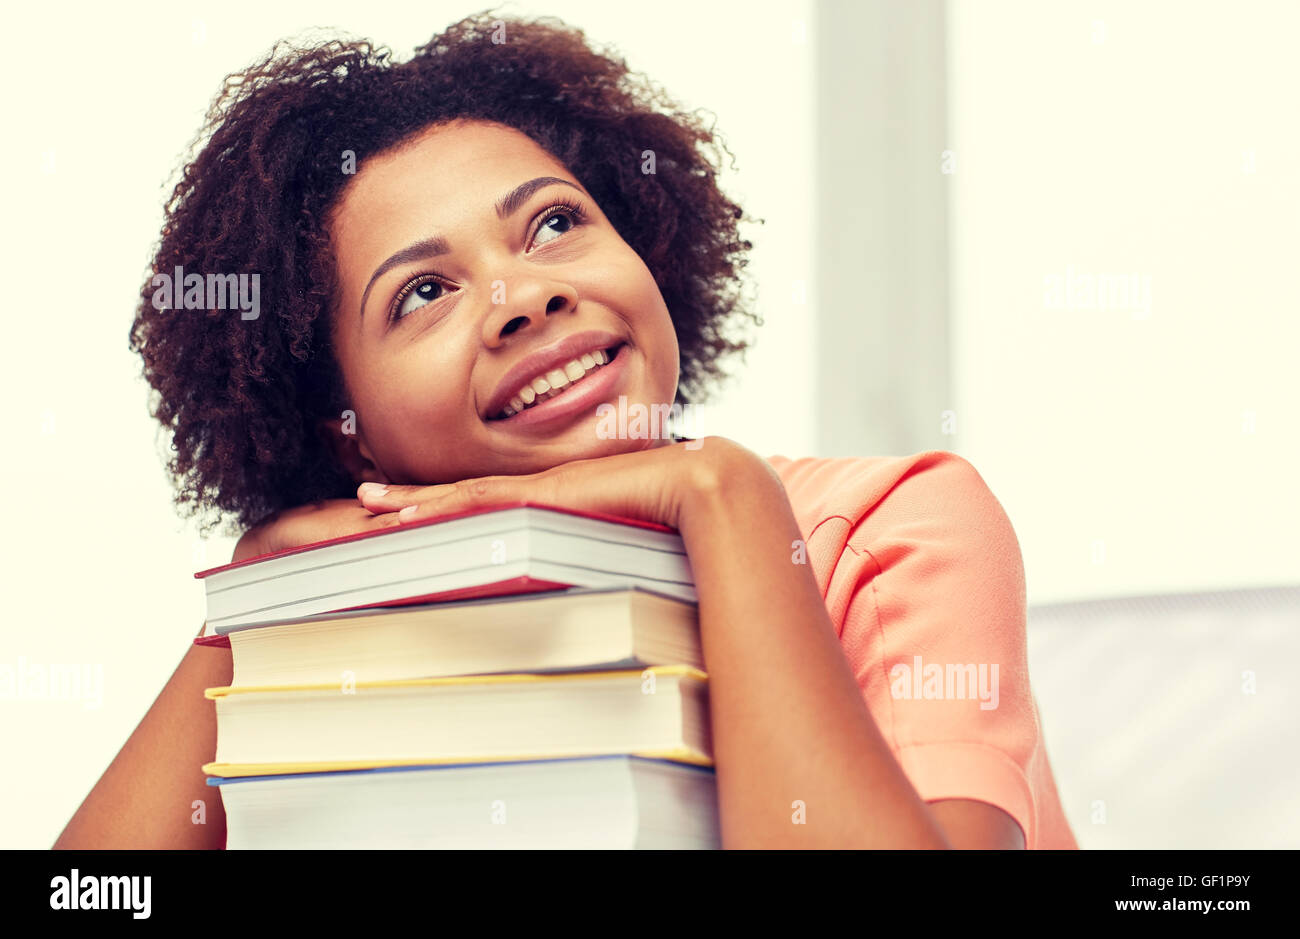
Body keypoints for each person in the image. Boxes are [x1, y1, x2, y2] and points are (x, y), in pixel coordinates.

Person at [57, 10, 1075, 849]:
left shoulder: (891, 525)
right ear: (348, 434)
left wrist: (717, 497)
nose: (523, 297)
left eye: (553, 223)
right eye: (422, 292)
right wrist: (261, 601)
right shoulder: (346, 603)